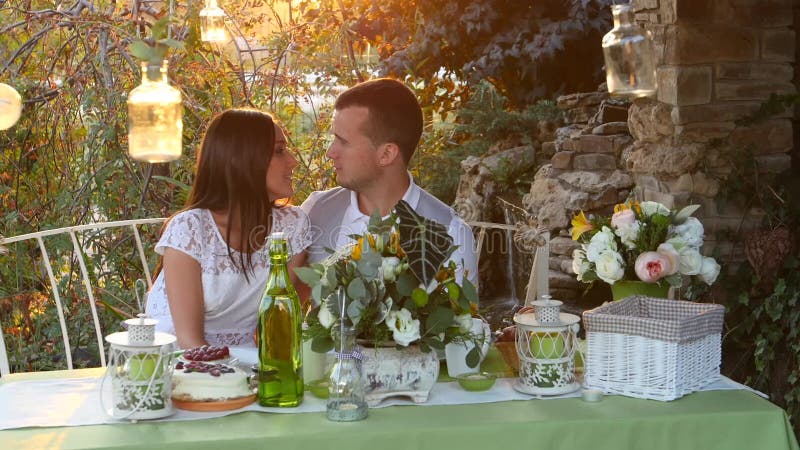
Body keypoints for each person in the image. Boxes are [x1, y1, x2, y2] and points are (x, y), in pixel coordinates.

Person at [145, 108, 310, 349]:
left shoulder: (292, 226)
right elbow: (189, 342)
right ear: (241, 160)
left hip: (247, 359)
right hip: (178, 363)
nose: (293, 161)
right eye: (279, 151)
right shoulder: (190, 229)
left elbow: (279, 320)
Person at [301, 78, 478, 287]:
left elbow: (461, 319)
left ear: (386, 153)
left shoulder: (451, 234)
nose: (331, 152)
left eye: (343, 142)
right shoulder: (315, 212)